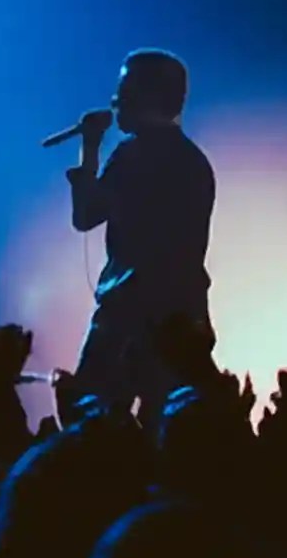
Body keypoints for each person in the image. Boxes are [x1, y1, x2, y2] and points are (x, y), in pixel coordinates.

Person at [65, 49, 216, 430]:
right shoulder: (194, 161)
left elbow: (85, 216)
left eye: (124, 89)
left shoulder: (134, 155)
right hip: (183, 315)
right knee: (168, 428)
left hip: (128, 312)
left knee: (89, 420)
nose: (115, 100)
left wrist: (90, 147)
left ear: (145, 95)